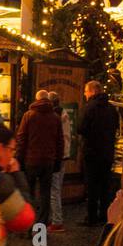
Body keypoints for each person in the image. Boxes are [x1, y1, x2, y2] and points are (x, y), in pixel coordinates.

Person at [15, 89, 64, 227]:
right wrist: (57, 161)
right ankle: (41, 229)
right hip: (48, 161)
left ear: (36, 100)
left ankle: (28, 226)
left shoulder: (28, 115)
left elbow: (21, 138)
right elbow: (60, 142)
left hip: (30, 160)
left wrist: (19, 158)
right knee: (45, 194)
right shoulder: (55, 117)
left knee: (28, 193)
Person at [77, 80, 119, 226]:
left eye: (86, 91)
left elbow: (81, 128)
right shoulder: (112, 109)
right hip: (107, 151)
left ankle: (92, 216)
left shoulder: (88, 108)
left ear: (93, 91)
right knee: (105, 184)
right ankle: (105, 215)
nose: (85, 94)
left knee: (91, 184)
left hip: (91, 150)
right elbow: (116, 127)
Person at [48, 92, 72, 233]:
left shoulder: (55, 116)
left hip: (58, 155)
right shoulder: (63, 114)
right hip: (64, 154)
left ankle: (57, 221)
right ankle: (55, 218)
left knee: (54, 189)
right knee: (56, 188)